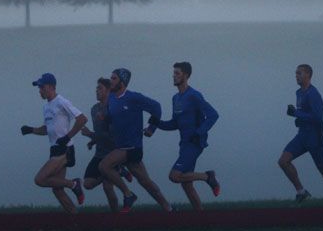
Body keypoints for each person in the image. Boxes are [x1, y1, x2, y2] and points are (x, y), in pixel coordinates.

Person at [145, 62, 220, 211]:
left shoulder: (194, 95)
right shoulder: (175, 98)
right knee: (186, 185)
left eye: (177, 73)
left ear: (186, 75)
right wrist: (158, 123)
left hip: (195, 143)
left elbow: (213, 115)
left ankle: (207, 177)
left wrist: (198, 133)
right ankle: (201, 219)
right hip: (184, 144)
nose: (173, 76)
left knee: (174, 176)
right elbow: (175, 124)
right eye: (173, 73)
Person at [98, 68, 173, 213]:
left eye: (114, 78)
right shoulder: (112, 97)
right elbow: (115, 117)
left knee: (104, 166)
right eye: (111, 78)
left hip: (132, 147)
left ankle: (128, 194)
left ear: (122, 81)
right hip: (121, 146)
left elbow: (156, 107)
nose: (110, 81)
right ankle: (168, 208)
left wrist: (151, 128)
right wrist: (105, 118)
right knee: (145, 181)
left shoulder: (133, 98)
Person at [20, 72, 87, 214]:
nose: (40, 90)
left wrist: (67, 137)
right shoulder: (46, 107)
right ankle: (75, 219)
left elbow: (82, 119)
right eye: (39, 88)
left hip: (64, 149)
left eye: (42, 87)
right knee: (57, 190)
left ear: (51, 87)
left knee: (40, 179)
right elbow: (47, 129)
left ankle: (74, 184)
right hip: (54, 149)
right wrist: (31, 130)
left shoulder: (62, 101)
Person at [277, 64, 323, 202]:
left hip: (315, 137)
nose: (296, 76)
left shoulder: (313, 94)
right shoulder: (299, 93)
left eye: (299, 73)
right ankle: (301, 191)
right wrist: (298, 119)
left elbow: (317, 117)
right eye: (296, 73)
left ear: (308, 74)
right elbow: (304, 115)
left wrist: (296, 113)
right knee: (283, 161)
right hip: (302, 135)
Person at [80, 77, 133, 213]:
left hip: (113, 153)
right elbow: (101, 133)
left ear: (109, 91)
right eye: (96, 88)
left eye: (100, 89)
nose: (97, 91)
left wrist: (90, 135)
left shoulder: (114, 109)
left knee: (107, 187)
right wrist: (93, 140)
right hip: (100, 153)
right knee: (87, 184)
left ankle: (115, 217)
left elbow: (113, 137)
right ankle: (118, 171)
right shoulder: (94, 109)